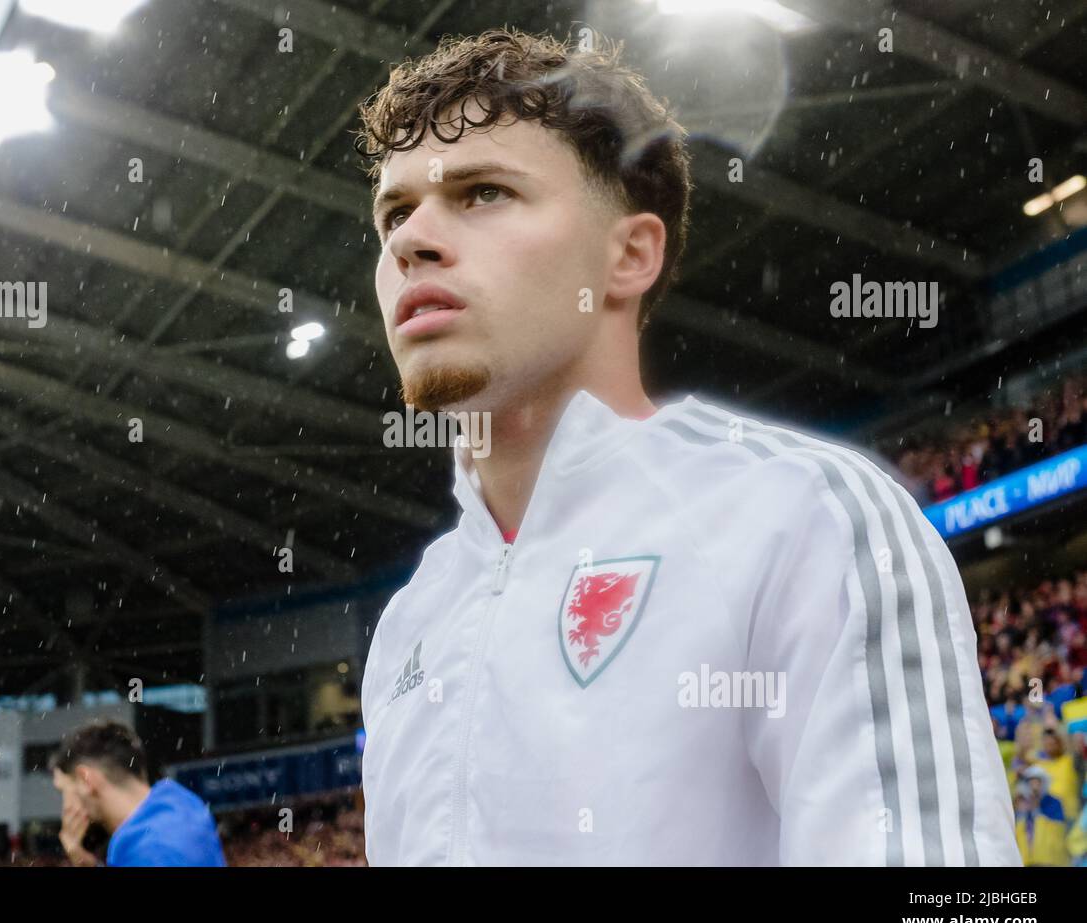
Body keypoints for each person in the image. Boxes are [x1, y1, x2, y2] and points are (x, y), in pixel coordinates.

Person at [353, 27, 1020, 866]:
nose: (410, 239)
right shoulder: (411, 621)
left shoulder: (798, 512)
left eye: (483, 192)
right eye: (394, 211)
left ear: (628, 255)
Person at [49, 719, 226, 867]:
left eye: (63, 791)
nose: (64, 807)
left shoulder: (149, 850)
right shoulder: (181, 803)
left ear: (85, 780)